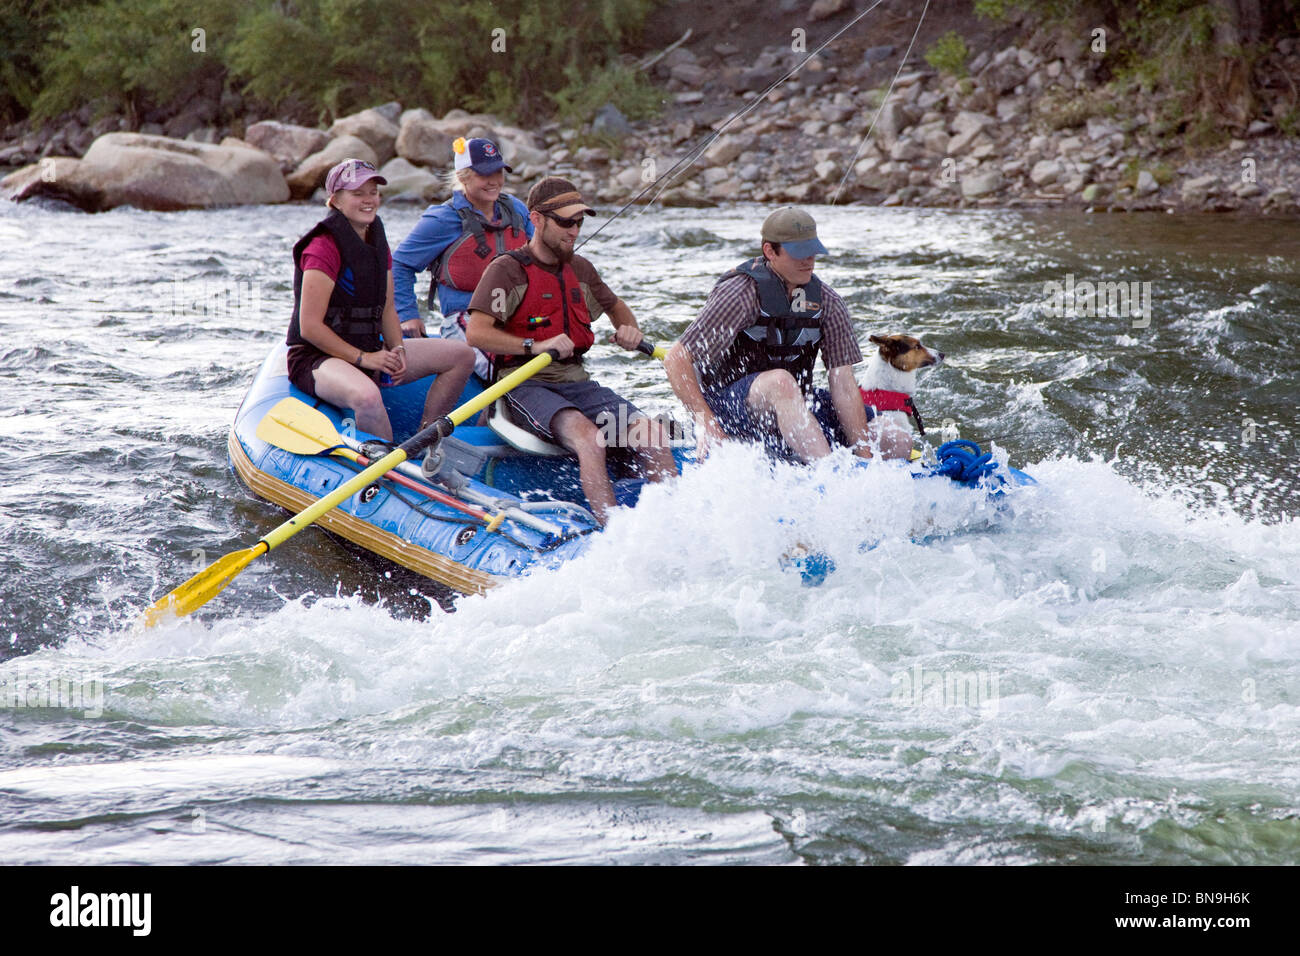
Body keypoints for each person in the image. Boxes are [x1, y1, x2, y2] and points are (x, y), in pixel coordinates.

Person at [464, 176, 677, 525]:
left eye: (579, 222)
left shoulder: (581, 269)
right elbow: (476, 333)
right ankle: (612, 532)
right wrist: (535, 345)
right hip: (523, 382)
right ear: (536, 219)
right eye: (565, 221)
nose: (574, 230)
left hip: (577, 382)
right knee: (590, 438)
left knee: (652, 433)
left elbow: (616, 306)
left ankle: (676, 525)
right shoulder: (507, 269)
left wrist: (628, 328)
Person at [665, 207, 905, 462]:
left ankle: (849, 469)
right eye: (799, 253)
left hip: (795, 404)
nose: (808, 261)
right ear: (770, 251)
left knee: (896, 439)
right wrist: (706, 423)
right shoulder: (740, 295)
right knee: (781, 382)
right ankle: (829, 473)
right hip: (730, 408)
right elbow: (676, 359)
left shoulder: (828, 302)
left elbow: (843, 384)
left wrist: (865, 457)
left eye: (812, 251)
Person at [285, 158, 475, 442]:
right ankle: (383, 469)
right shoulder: (322, 247)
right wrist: (364, 359)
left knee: (462, 356)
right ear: (335, 200)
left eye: (373, 192)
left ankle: (424, 440)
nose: (368, 200)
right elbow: (310, 327)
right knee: (367, 397)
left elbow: (386, 306)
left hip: (370, 348)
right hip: (318, 358)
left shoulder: (375, 237)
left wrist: (397, 348)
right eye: (357, 193)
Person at [392, 137, 533, 379]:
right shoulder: (442, 219)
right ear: (463, 176)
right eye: (484, 175)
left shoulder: (517, 209)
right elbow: (399, 264)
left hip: (513, 316)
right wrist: (408, 316)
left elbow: (540, 255)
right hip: (463, 318)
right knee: (510, 372)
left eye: (498, 172)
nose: (494, 181)